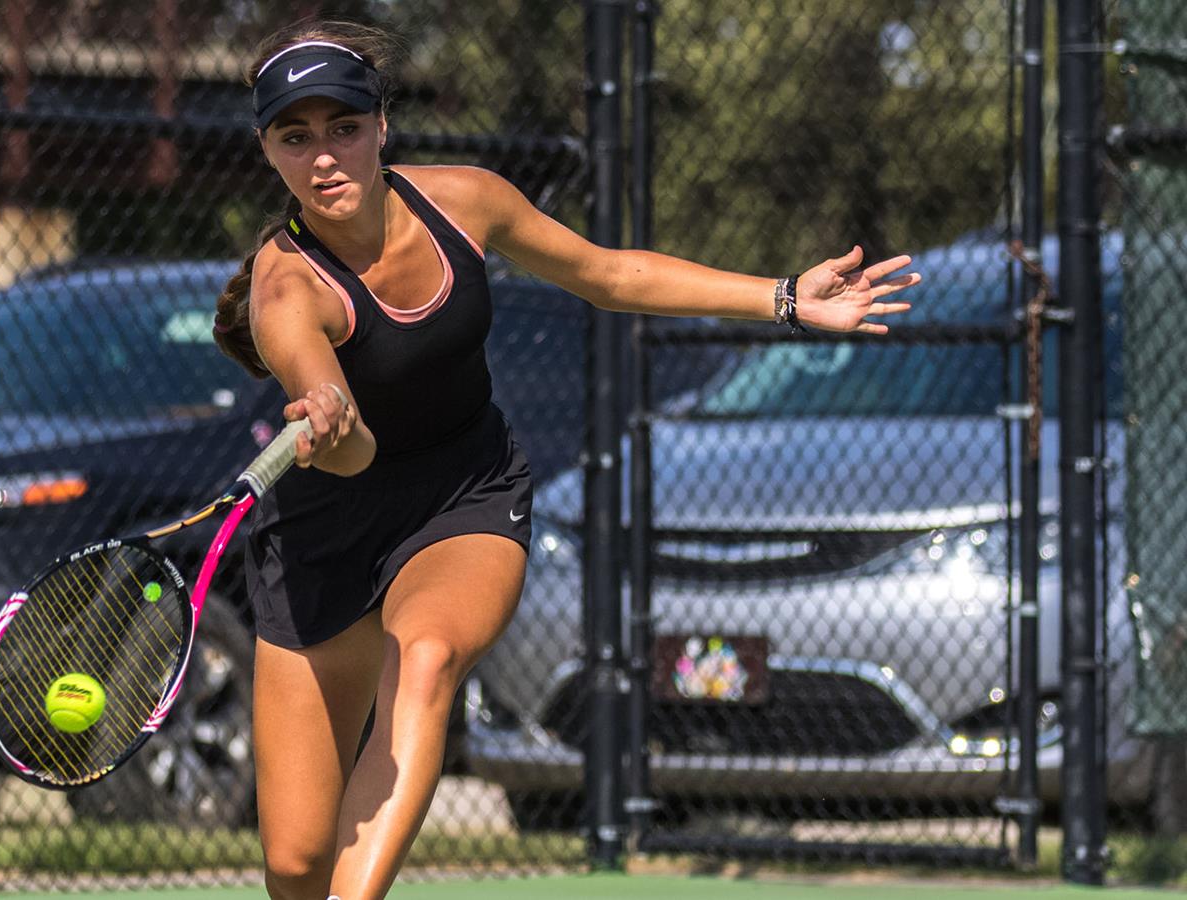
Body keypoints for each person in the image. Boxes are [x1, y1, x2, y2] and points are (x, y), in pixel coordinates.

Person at [211, 20, 921, 900]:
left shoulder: (465, 202)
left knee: (425, 658)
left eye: (344, 127)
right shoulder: (285, 289)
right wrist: (332, 420)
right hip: (322, 536)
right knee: (294, 864)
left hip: (460, 496)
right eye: (295, 137)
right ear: (267, 149)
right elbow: (351, 456)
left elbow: (609, 275)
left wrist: (783, 299)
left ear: (382, 125)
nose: (324, 157)